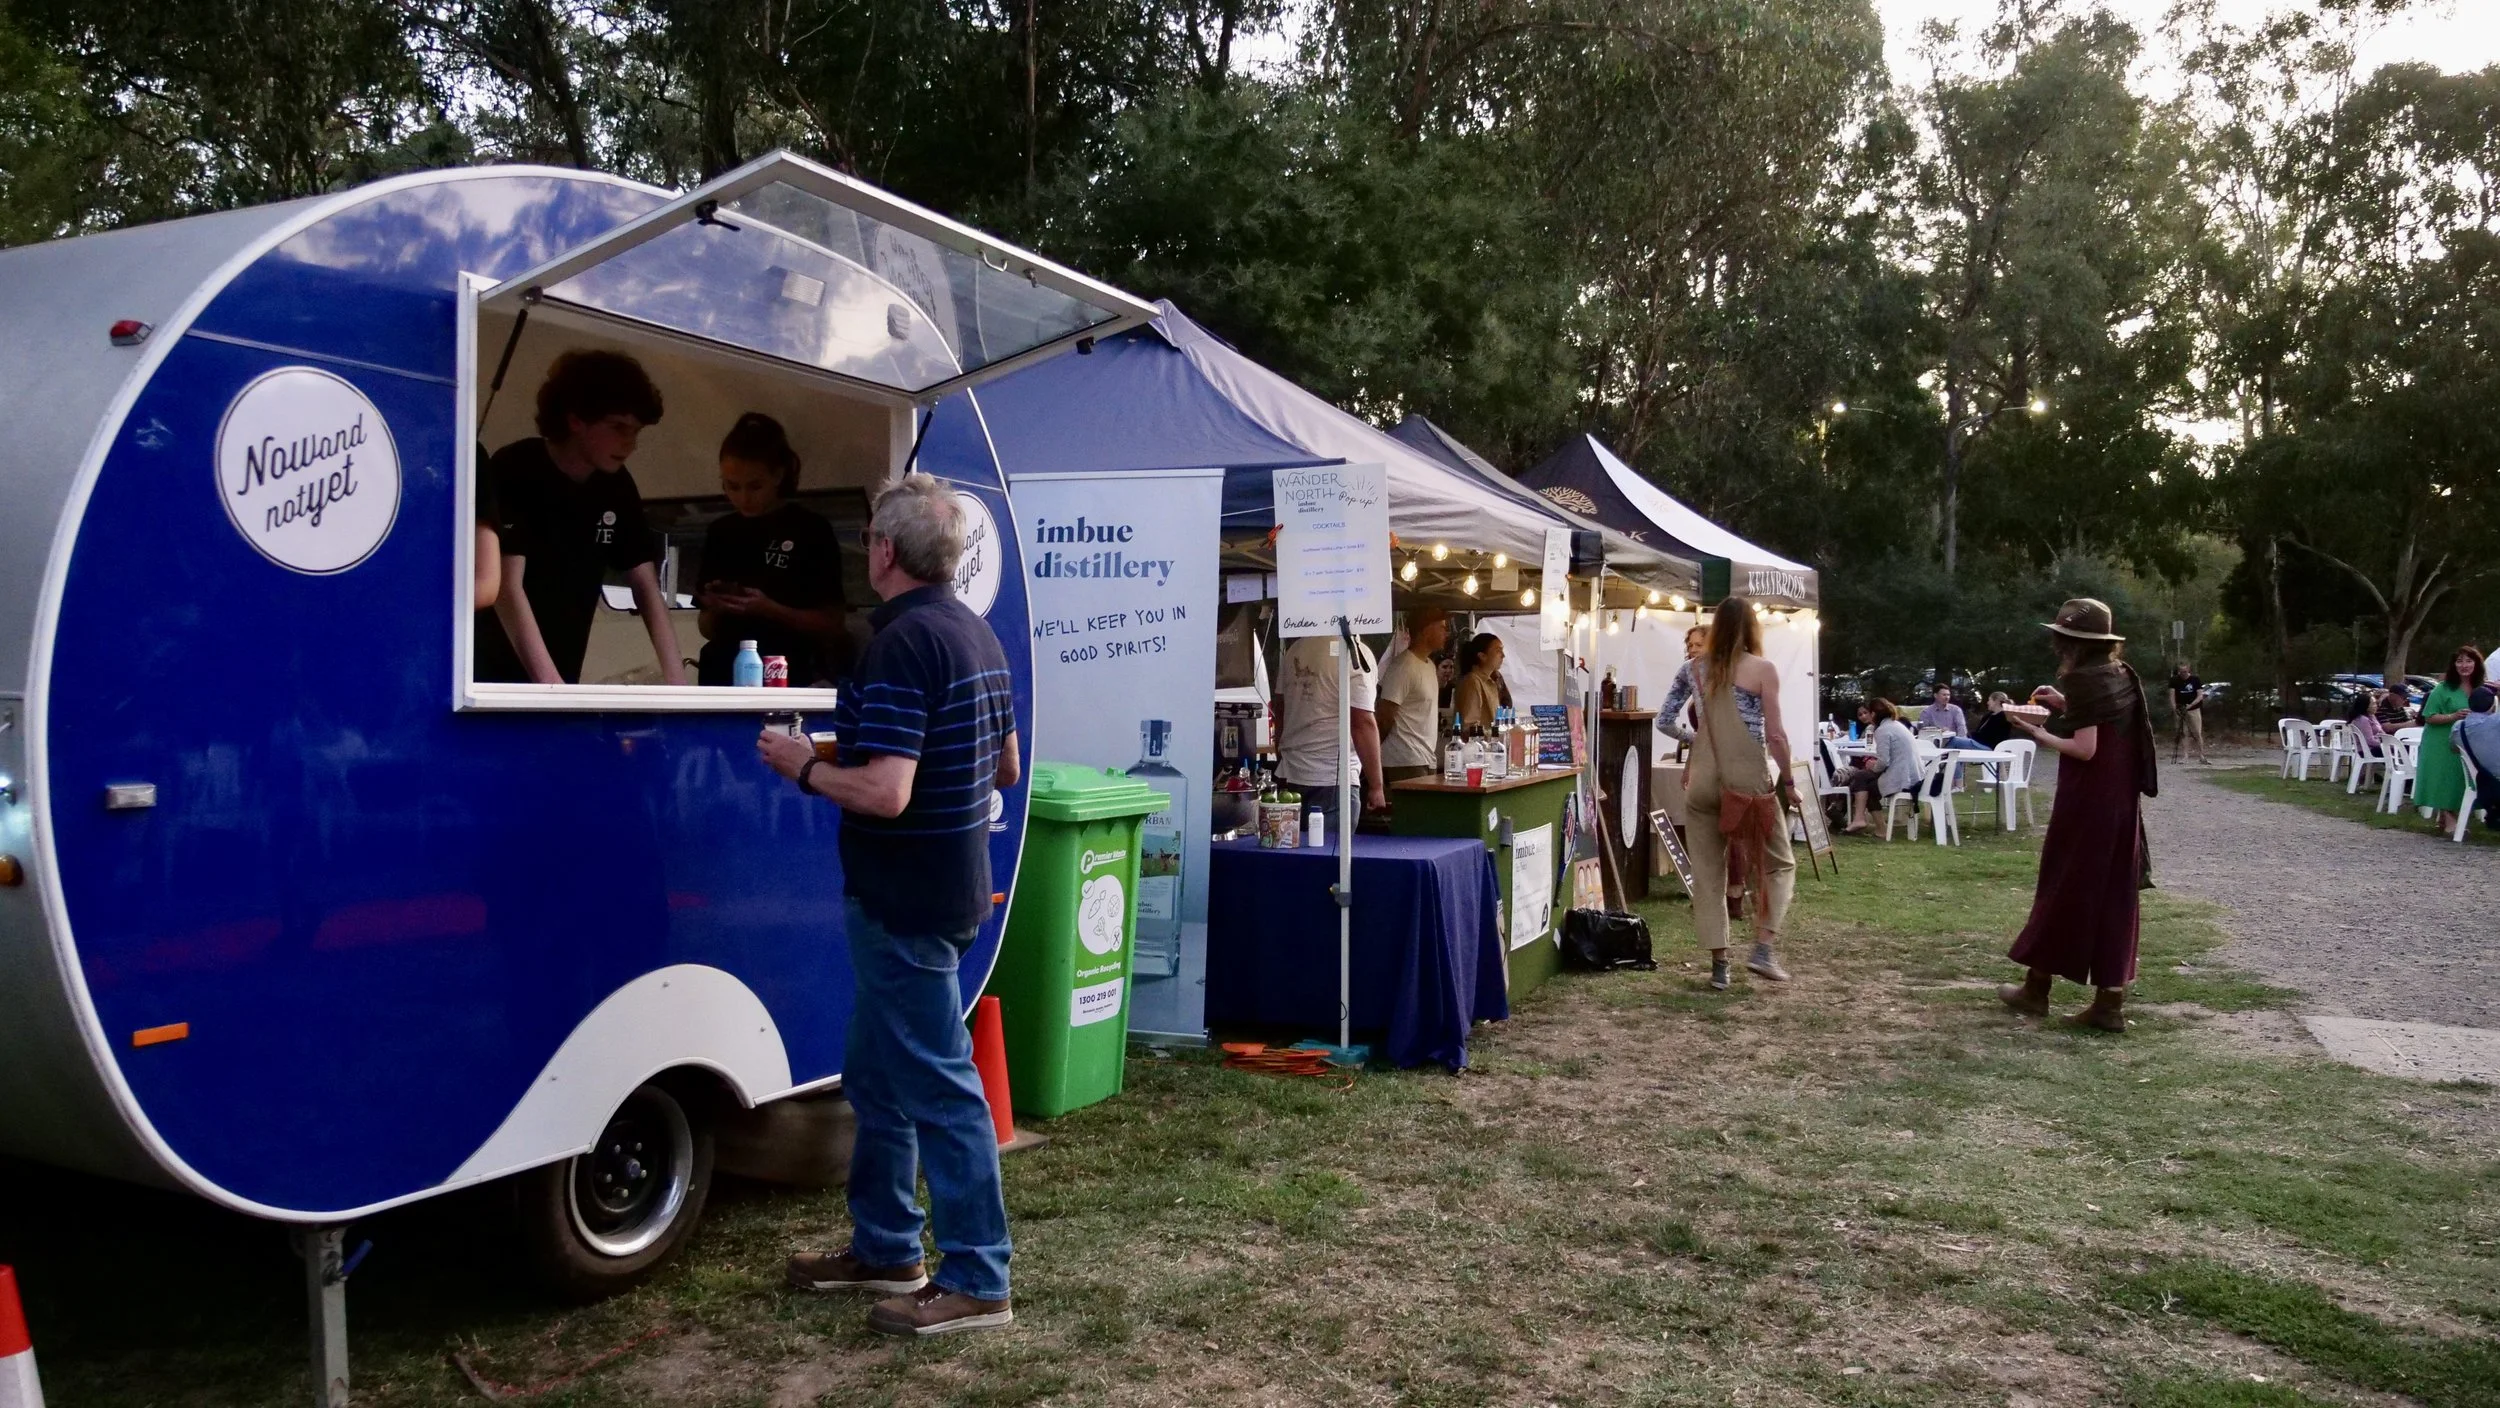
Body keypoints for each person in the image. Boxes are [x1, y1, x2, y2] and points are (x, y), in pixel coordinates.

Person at [763, 474, 1020, 1337]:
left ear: (883, 551)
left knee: (942, 1091)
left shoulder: (899, 644)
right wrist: (843, 747)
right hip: (950, 887)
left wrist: (801, 766)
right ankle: (885, 1246)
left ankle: (979, 1279)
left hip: (901, 899)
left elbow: (885, 793)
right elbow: (1002, 766)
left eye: (869, 533)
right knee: (877, 1080)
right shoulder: (976, 633)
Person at [476, 350, 686, 685]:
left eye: (636, 431)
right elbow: (507, 589)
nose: (630, 443)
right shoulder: (516, 468)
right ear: (576, 419)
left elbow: (646, 587)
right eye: (618, 427)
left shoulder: (616, 485)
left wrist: (679, 687)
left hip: (565, 672)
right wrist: (551, 687)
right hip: (490, 677)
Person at [1999, 598, 2157, 1033]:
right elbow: (2103, 723)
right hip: (2119, 802)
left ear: (2070, 641)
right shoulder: (2118, 674)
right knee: (2112, 894)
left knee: (2064, 883)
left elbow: (2086, 749)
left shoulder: (2087, 678)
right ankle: (2109, 1003)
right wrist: (2065, 704)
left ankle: (2036, 991)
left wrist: (2038, 731)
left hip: (2089, 800)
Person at [1669, 596, 1796, 991]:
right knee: (1778, 863)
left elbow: (1664, 718)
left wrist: (1693, 744)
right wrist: (1788, 781)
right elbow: (1774, 734)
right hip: (1747, 781)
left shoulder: (1693, 669)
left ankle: (1719, 965)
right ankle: (1762, 948)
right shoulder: (1762, 670)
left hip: (1703, 781)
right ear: (1752, 628)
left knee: (1707, 873)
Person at [694, 413, 847, 686]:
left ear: (778, 475)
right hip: (721, 669)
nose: (743, 498)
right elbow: (705, 627)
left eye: (754, 486)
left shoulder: (810, 529)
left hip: (788, 670)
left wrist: (769, 609)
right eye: (732, 486)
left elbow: (832, 623)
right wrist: (719, 607)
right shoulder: (720, 531)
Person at [1278, 628, 1386, 830]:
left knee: (1294, 858)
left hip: (1291, 774)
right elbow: (1362, 722)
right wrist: (1377, 786)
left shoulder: (1295, 649)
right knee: (1331, 858)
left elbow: (1281, 706)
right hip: (1333, 778)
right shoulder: (1354, 653)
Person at [2413, 646, 2486, 832]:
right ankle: (2449, 819)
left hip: (2467, 742)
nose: (2464, 665)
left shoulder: (2481, 688)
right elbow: (2429, 716)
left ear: (2477, 664)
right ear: (2453, 665)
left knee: (2459, 779)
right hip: (2440, 740)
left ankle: (2446, 816)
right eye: (2459, 661)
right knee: (2443, 778)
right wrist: (2453, 716)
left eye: (2469, 661)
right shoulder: (2443, 688)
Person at [1375, 608, 1449, 784]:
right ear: (1425, 630)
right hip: (1404, 761)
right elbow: (1385, 716)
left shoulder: (1430, 665)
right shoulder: (1403, 667)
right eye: (1441, 627)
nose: (1446, 633)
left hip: (1425, 757)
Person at [1835, 698, 1920, 834]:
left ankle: (1865, 821)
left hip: (1903, 778)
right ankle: (1871, 824)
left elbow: (1884, 762)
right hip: (1911, 774)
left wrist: (1873, 766)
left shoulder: (1883, 730)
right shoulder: (1895, 725)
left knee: (1863, 780)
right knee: (1864, 780)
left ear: (1873, 714)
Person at [2452, 686, 2500, 827]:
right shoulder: (2496, 722)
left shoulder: (2458, 727)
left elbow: (2454, 748)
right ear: (2493, 705)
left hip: (2481, 781)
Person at [1454, 632, 1506, 729]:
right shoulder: (1472, 681)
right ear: (1482, 656)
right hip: (1478, 743)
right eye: (1498, 651)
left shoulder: (1489, 681)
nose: (1503, 655)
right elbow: (1469, 726)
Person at [2169, 664, 2209, 765]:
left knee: (2197, 732)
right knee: (2183, 732)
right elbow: (2172, 695)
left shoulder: (2195, 680)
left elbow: (2200, 696)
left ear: (2188, 671)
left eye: (2184, 672)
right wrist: (2174, 708)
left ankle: (2201, 755)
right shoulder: (2174, 680)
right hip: (2180, 709)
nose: (2182, 674)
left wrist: (2190, 705)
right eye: (2180, 672)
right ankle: (2185, 756)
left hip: (2193, 709)